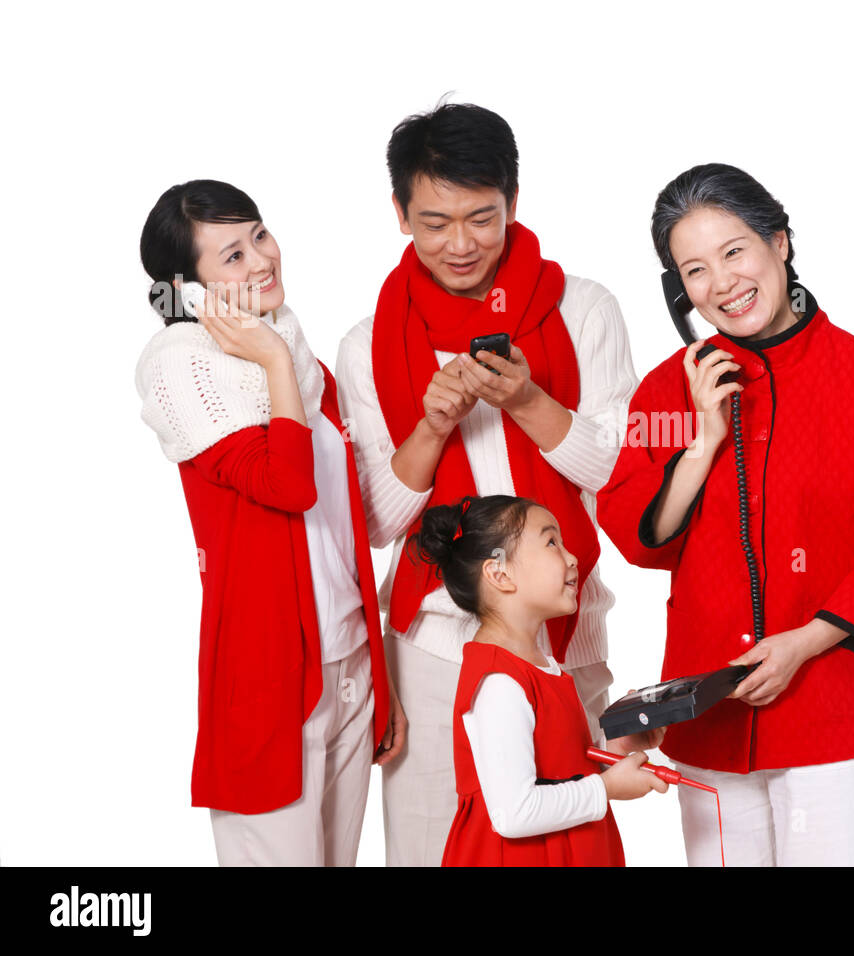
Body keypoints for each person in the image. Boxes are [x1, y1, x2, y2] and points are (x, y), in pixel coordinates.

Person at [596, 163, 854, 866]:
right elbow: (640, 533)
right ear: (678, 289)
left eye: (734, 252)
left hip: (832, 703)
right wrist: (702, 439)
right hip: (710, 707)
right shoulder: (671, 385)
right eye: (694, 270)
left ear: (779, 243)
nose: (720, 283)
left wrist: (803, 644)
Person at [336, 101, 639, 866]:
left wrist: (530, 404)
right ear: (400, 214)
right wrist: (433, 429)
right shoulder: (369, 343)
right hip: (437, 645)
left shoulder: (583, 309)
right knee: (434, 844)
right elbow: (371, 520)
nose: (461, 244)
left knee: (568, 838)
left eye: (483, 217)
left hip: (564, 633)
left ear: (513, 203)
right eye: (435, 221)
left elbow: (625, 474)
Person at [135, 180, 400, 866]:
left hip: (349, 664)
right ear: (188, 289)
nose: (260, 259)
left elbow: (347, 533)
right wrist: (275, 361)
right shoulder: (182, 372)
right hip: (268, 681)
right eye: (230, 254)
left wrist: (381, 678)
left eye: (259, 234)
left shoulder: (305, 367)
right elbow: (287, 486)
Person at [410, 494, 667, 866]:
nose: (572, 557)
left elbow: (562, 767)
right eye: (551, 542)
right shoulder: (500, 682)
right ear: (500, 573)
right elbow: (515, 811)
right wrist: (607, 788)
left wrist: (618, 743)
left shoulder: (543, 667)